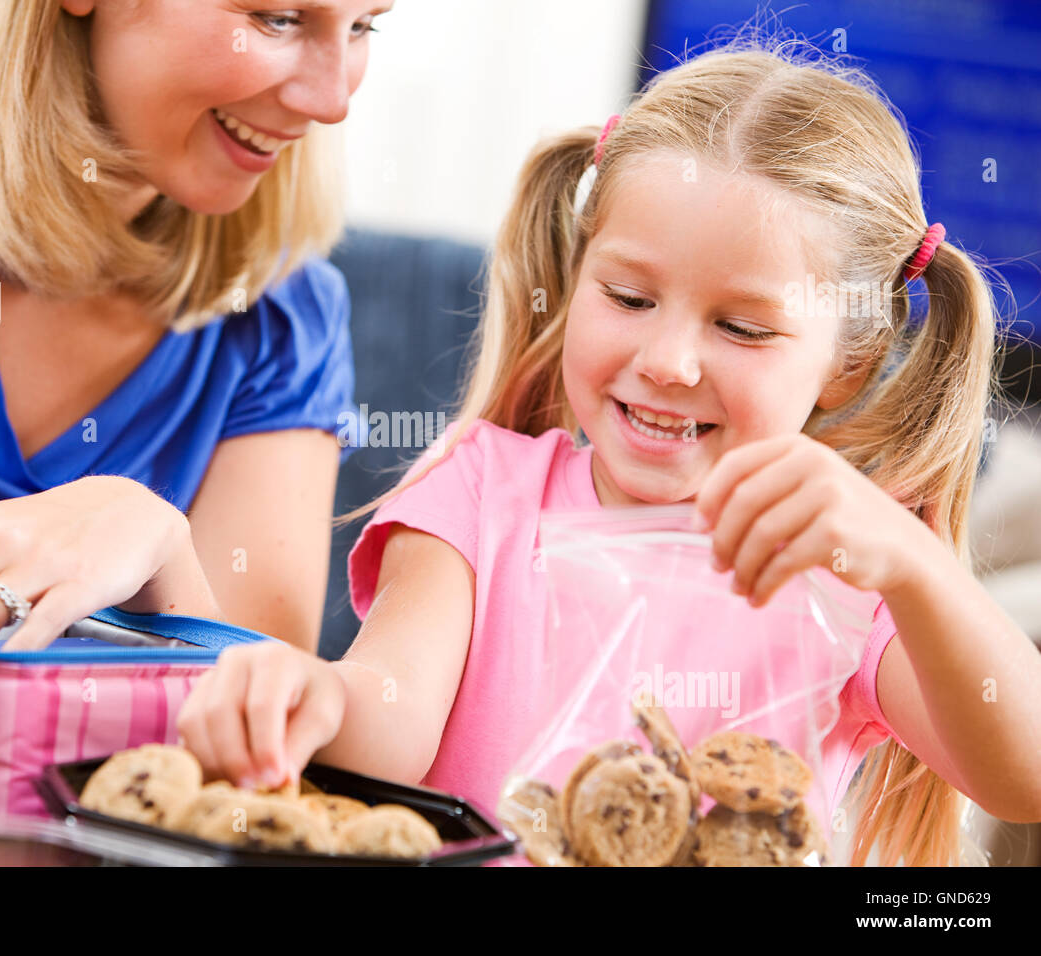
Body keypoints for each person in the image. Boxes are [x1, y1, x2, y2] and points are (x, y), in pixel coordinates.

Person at [173, 42, 1041, 866]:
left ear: (845, 367)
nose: (666, 361)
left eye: (741, 327)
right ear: (578, 276)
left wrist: (918, 573)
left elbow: (1024, 776)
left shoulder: (850, 576)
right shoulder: (478, 491)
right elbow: (388, 724)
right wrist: (314, 699)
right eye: (628, 297)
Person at [0, 0, 392, 651]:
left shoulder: (276, 320)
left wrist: (161, 547)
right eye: (277, 18)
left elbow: (253, 728)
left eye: (364, 25)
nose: (332, 101)